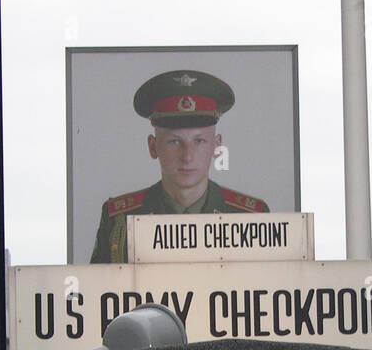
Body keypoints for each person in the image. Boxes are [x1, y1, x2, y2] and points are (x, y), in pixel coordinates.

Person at [89, 69, 269, 264]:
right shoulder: (119, 220)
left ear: (217, 147)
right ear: (152, 147)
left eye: (199, 141)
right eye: (174, 142)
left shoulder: (250, 217)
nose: (187, 156)